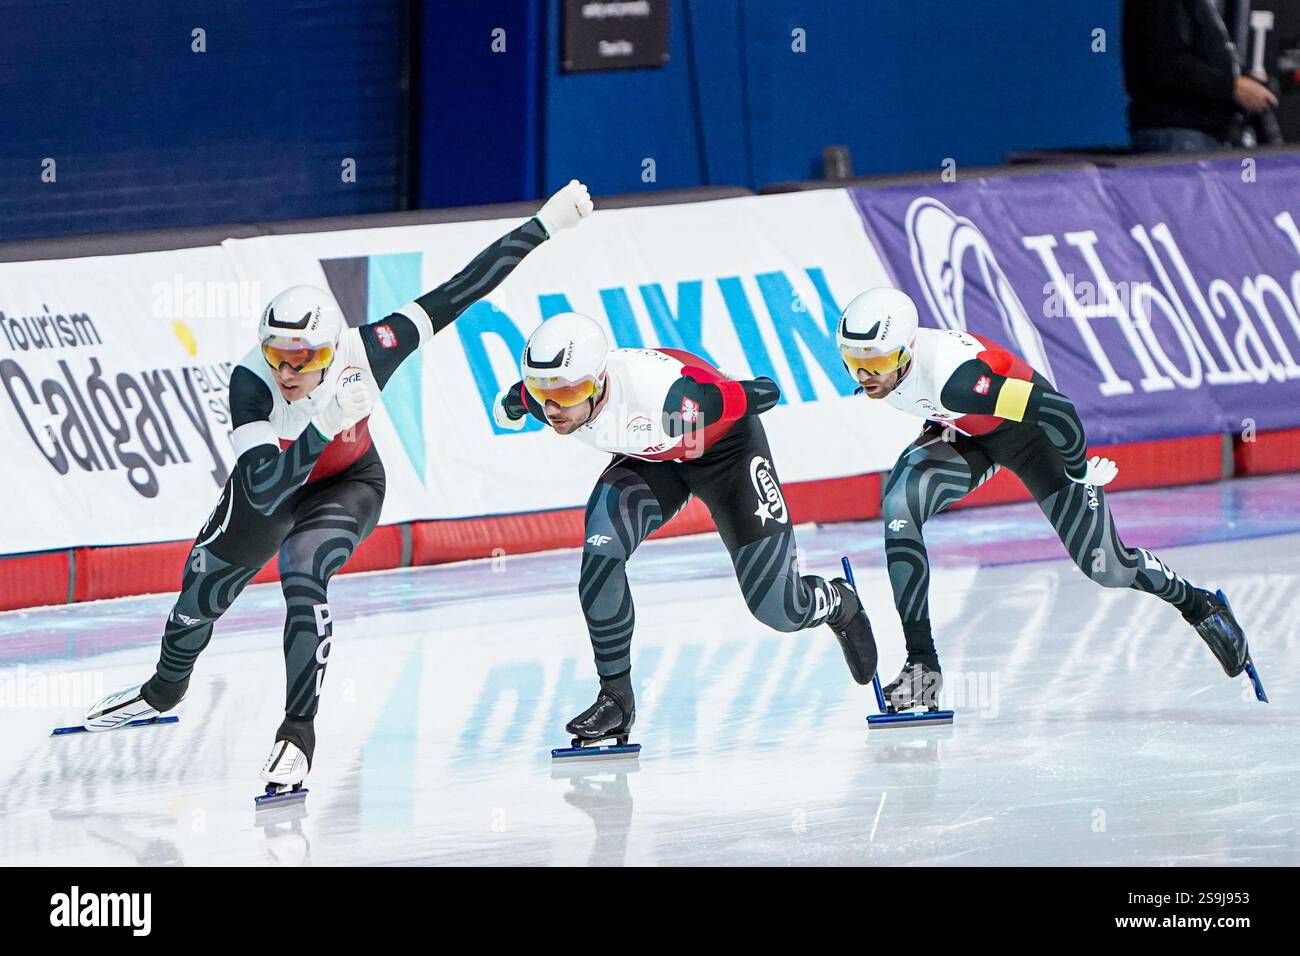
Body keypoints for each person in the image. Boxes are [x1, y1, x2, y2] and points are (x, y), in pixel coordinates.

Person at [82, 180, 596, 798]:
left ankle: (297, 735)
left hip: (349, 485)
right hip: (275, 485)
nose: (288, 370)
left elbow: (462, 288)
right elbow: (263, 488)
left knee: (303, 571)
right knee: (202, 589)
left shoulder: (371, 349)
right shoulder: (250, 383)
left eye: (303, 357)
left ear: (331, 348)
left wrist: (546, 223)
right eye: (277, 353)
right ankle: (163, 690)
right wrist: (324, 423)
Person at [836, 287, 1252, 712]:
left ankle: (1198, 605)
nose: (864, 375)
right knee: (900, 507)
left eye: (877, 363)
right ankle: (922, 666)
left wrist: (1078, 470)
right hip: (966, 432)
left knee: (1106, 567)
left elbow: (1057, 409)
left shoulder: (957, 381)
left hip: (1036, 440)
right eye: (853, 362)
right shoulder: (891, 369)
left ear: (905, 350)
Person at [492, 313, 878, 747]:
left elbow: (764, 393)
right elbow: (519, 398)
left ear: (598, 381)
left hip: (725, 453)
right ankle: (616, 700)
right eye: (542, 394)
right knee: (601, 555)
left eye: (566, 394)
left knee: (779, 610)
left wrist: (749, 389)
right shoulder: (545, 395)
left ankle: (838, 601)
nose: (552, 409)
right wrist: (512, 405)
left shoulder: (671, 397)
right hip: (653, 461)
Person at [1124, 0, 1278, 153]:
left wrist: (1244, 81)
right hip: (1179, 135)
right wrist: (1233, 87)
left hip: (1198, 136)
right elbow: (1166, 61)